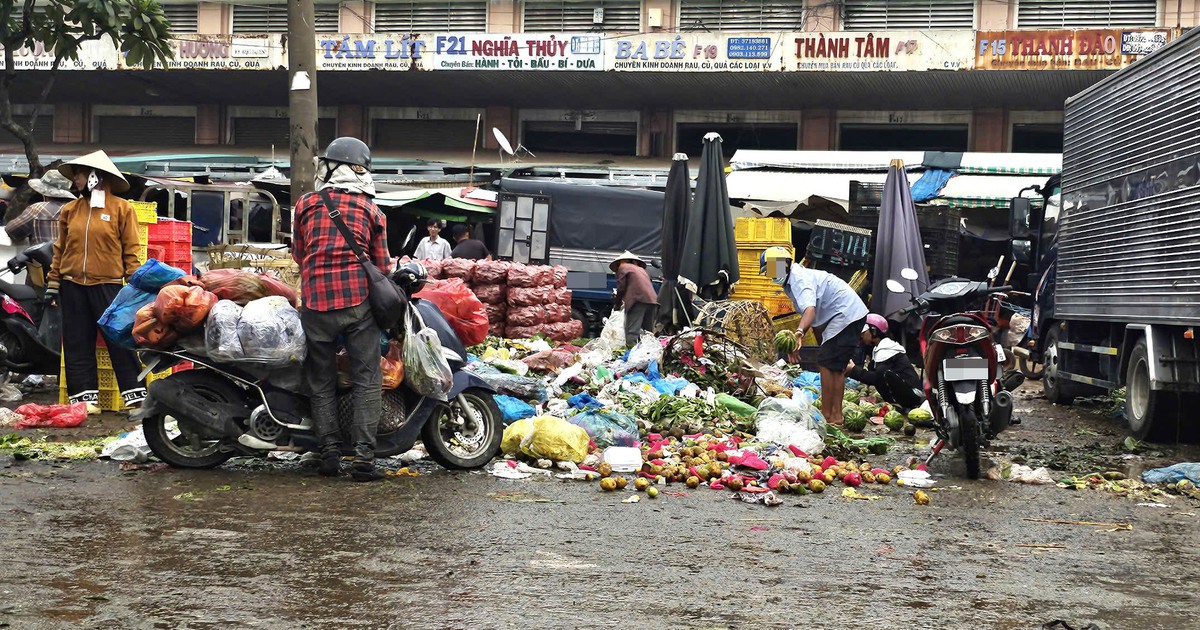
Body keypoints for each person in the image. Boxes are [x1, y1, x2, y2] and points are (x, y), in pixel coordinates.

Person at [292, 137, 392, 482]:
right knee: (367, 379)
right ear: (361, 170)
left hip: (316, 304)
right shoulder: (371, 210)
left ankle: (329, 454)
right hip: (356, 304)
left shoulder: (305, 204)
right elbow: (382, 265)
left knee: (321, 382)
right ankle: (363, 460)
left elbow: (298, 253)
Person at [45, 151, 146, 410]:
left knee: (118, 339)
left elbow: (131, 250)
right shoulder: (70, 210)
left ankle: (136, 398)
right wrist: (53, 284)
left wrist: (134, 286)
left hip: (108, 285)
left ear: (95, 176)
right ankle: (85, 402)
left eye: (79, 173)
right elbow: (60, 250)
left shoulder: (122, 209)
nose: (75, 179)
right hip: (72, 284)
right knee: (78, 342)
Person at [760, 246, 868, 425]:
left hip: (846, 314)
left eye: (772, 269)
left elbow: (810, 311)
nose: (771, 275)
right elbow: (815, 320)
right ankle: (836, 417)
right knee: (835, 366)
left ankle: (828, 416)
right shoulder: (791, 280)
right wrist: (817, 344)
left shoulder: (799, 279)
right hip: (845, 315)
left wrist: (799, 333)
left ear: (785, 264)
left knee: (826, 365)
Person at [845, 314, 923, 408]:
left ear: (873, 331)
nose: (861, 336)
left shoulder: (886, 349)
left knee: (882, 372)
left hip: (912, 394)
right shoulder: (878, 348)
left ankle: (897, 405)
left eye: (863, 333)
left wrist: (854, 370)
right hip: (905, 392)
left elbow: (876, 378)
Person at [5, 170, 76, 246]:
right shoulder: (79, 210)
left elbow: (12, 231)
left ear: (44, 194)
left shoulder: (37, 209)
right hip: (75, 257)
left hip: (45, 257)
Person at [611, 250, 657, 347]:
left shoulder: (623, 267)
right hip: (652, 300)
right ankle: (649, 354)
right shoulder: (642, 270)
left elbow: (621, 287)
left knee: (632, 332)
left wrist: (617, 303)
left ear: (624, 261)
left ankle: (631, 355)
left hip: (638, 299)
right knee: (647, 333)